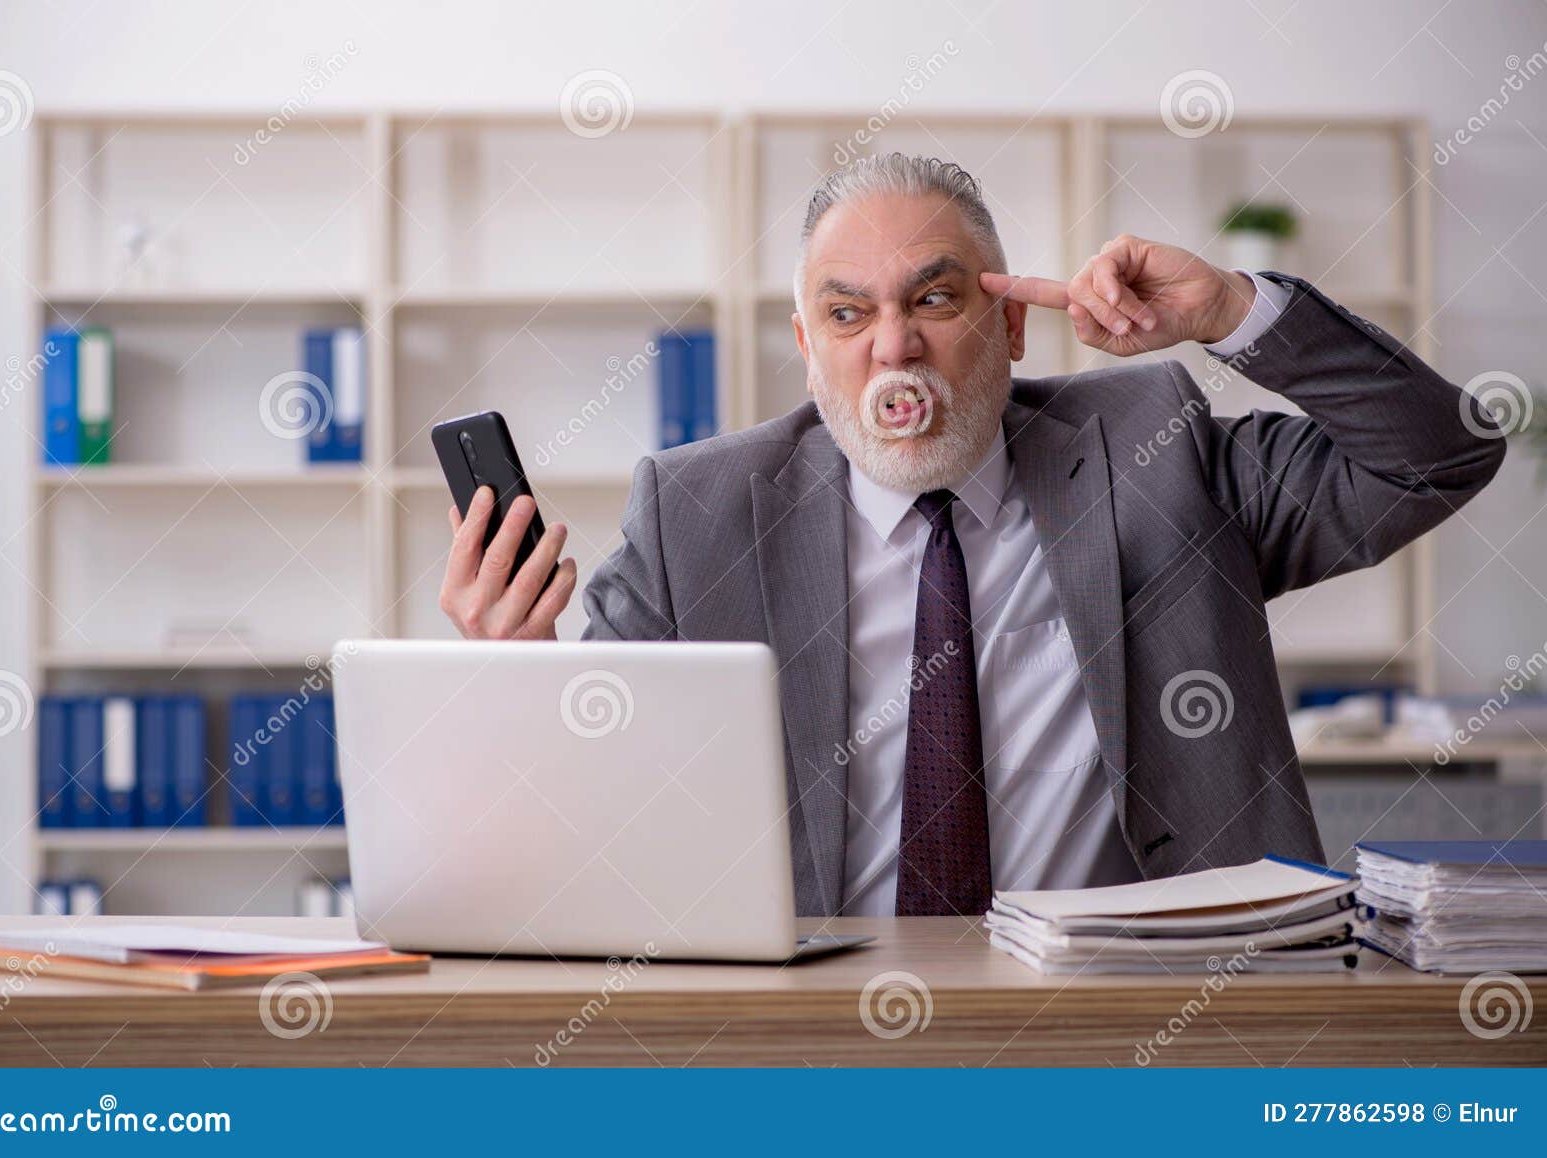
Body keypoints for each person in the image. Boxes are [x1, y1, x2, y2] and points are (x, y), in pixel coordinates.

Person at [437, 153, 1505, 918]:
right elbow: (599, 824)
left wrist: (1230, 309)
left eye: (934, 299)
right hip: (809, 1038)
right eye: (848, 315)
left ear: (1010, 323)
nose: (894, 347)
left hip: (1142, 1020)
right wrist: (514, 678)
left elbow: (1440, 455)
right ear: (808, 347)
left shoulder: (1155, 451)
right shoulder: (696, 512)